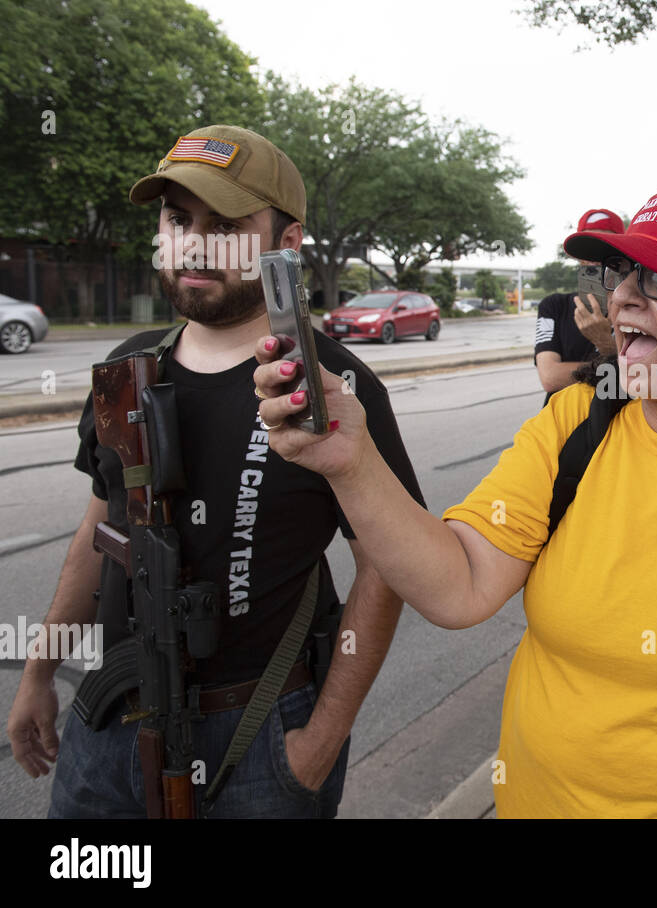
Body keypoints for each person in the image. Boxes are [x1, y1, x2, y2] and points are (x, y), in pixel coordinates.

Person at [253, 178, 657, 818]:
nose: (622, 297)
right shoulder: (575, 421)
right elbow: (461, 589)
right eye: (623, 273)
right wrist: (352, 463)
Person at [6, 125, 424, 817]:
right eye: (178, 220)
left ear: (286, 247)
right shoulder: (126, 367)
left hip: (261, 731)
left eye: (226, 225)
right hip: (106, 724)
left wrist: (319, 742)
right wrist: (39, 670)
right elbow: (96, 533)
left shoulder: (331, 385)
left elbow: (386, 568)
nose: (193, 244)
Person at [534, 208, 622, 403]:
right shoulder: (554, 306)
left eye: (605, 247)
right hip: (560, 422)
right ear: (578, 256)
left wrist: (604, 342)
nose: (594, 257)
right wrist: (614, 362)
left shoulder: (634, 305)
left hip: (615, 420)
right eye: (586, 247)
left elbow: (641, 374)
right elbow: (550, 378)